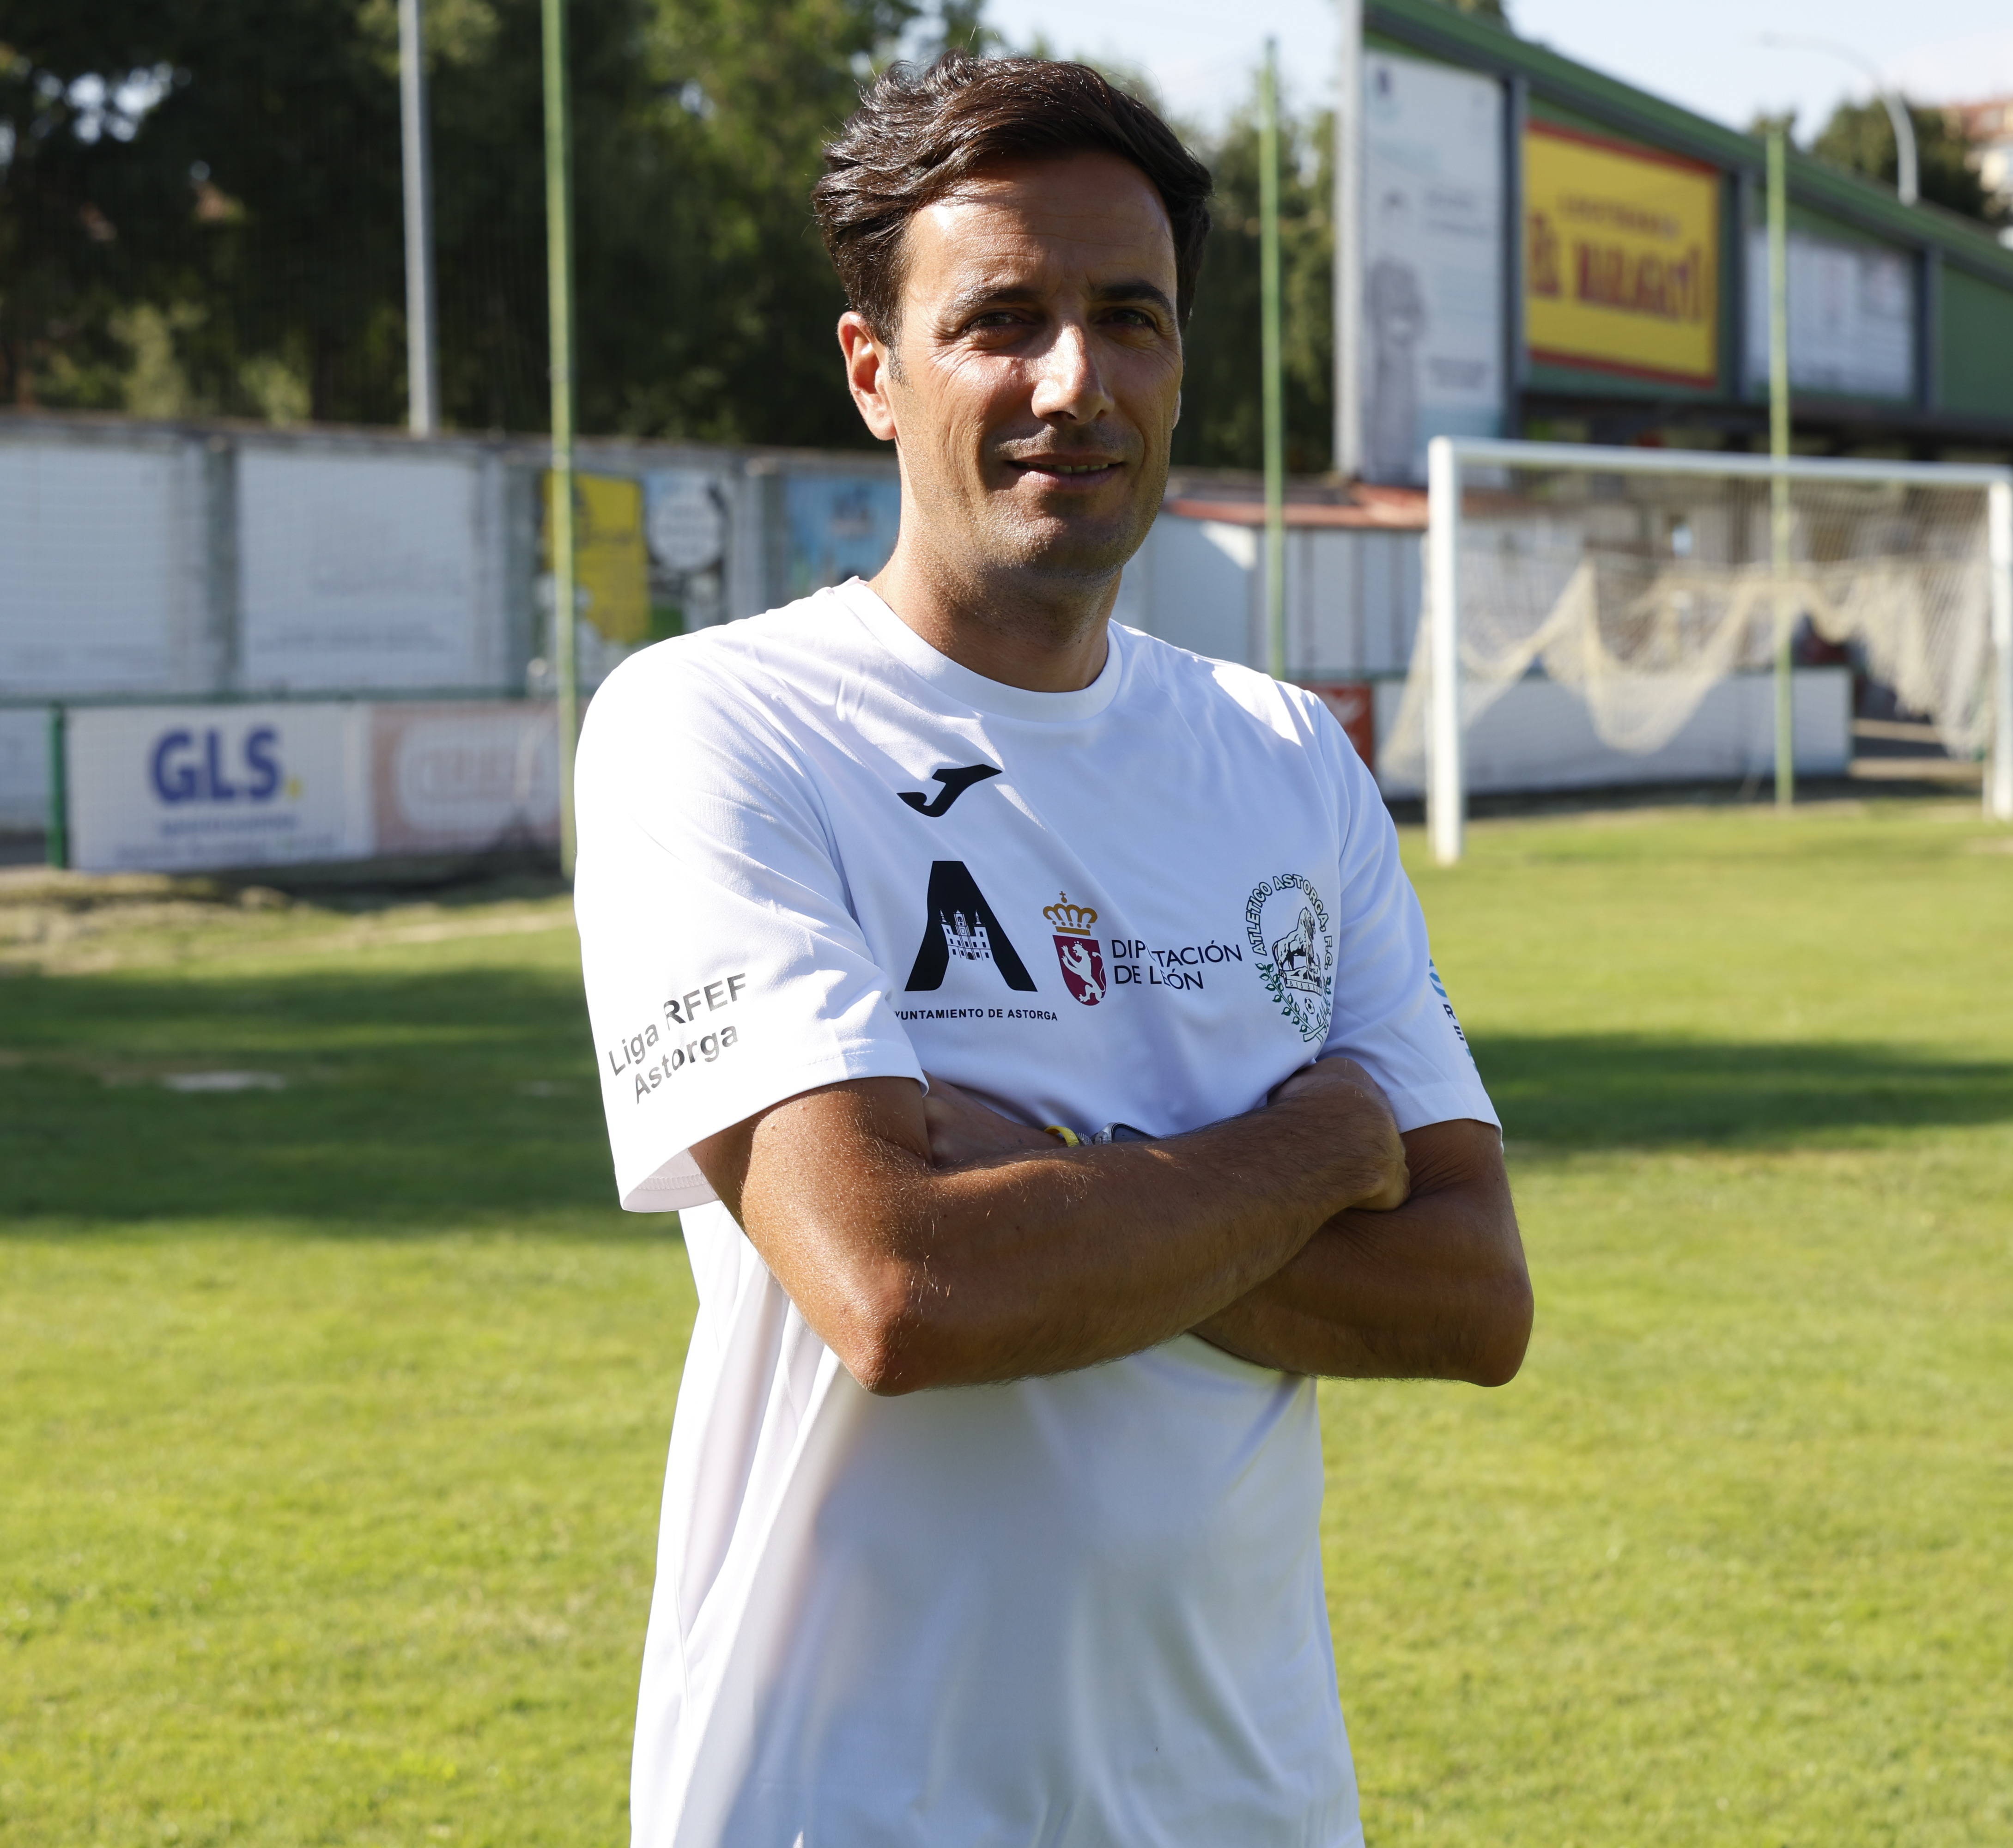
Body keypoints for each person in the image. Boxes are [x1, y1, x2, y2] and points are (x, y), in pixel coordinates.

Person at [571, 55, 1532, 1848]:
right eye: (1000, 321)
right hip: (843, 1805)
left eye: (1130, 319)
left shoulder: (1284, 756)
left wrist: (1051, 1195)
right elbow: (905, 1291)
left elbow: (1474, 1295)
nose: (1073, 382)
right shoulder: (718, 727)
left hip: (1243, 1805)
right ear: (876, 371)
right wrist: (1315, 1153)